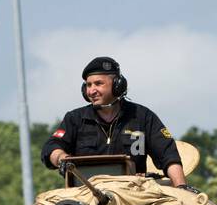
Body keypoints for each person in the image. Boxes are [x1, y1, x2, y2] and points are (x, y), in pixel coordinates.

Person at [41, 57, 187, 186]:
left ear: (118, 85)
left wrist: (182, 188)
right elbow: (51, 147)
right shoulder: (75, 119)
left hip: (134, 198)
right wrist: (62, 159)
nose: (91, 91)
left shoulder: (142, 117)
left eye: (98, 84)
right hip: (85, 197)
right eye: (88, 85)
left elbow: (169, 156)